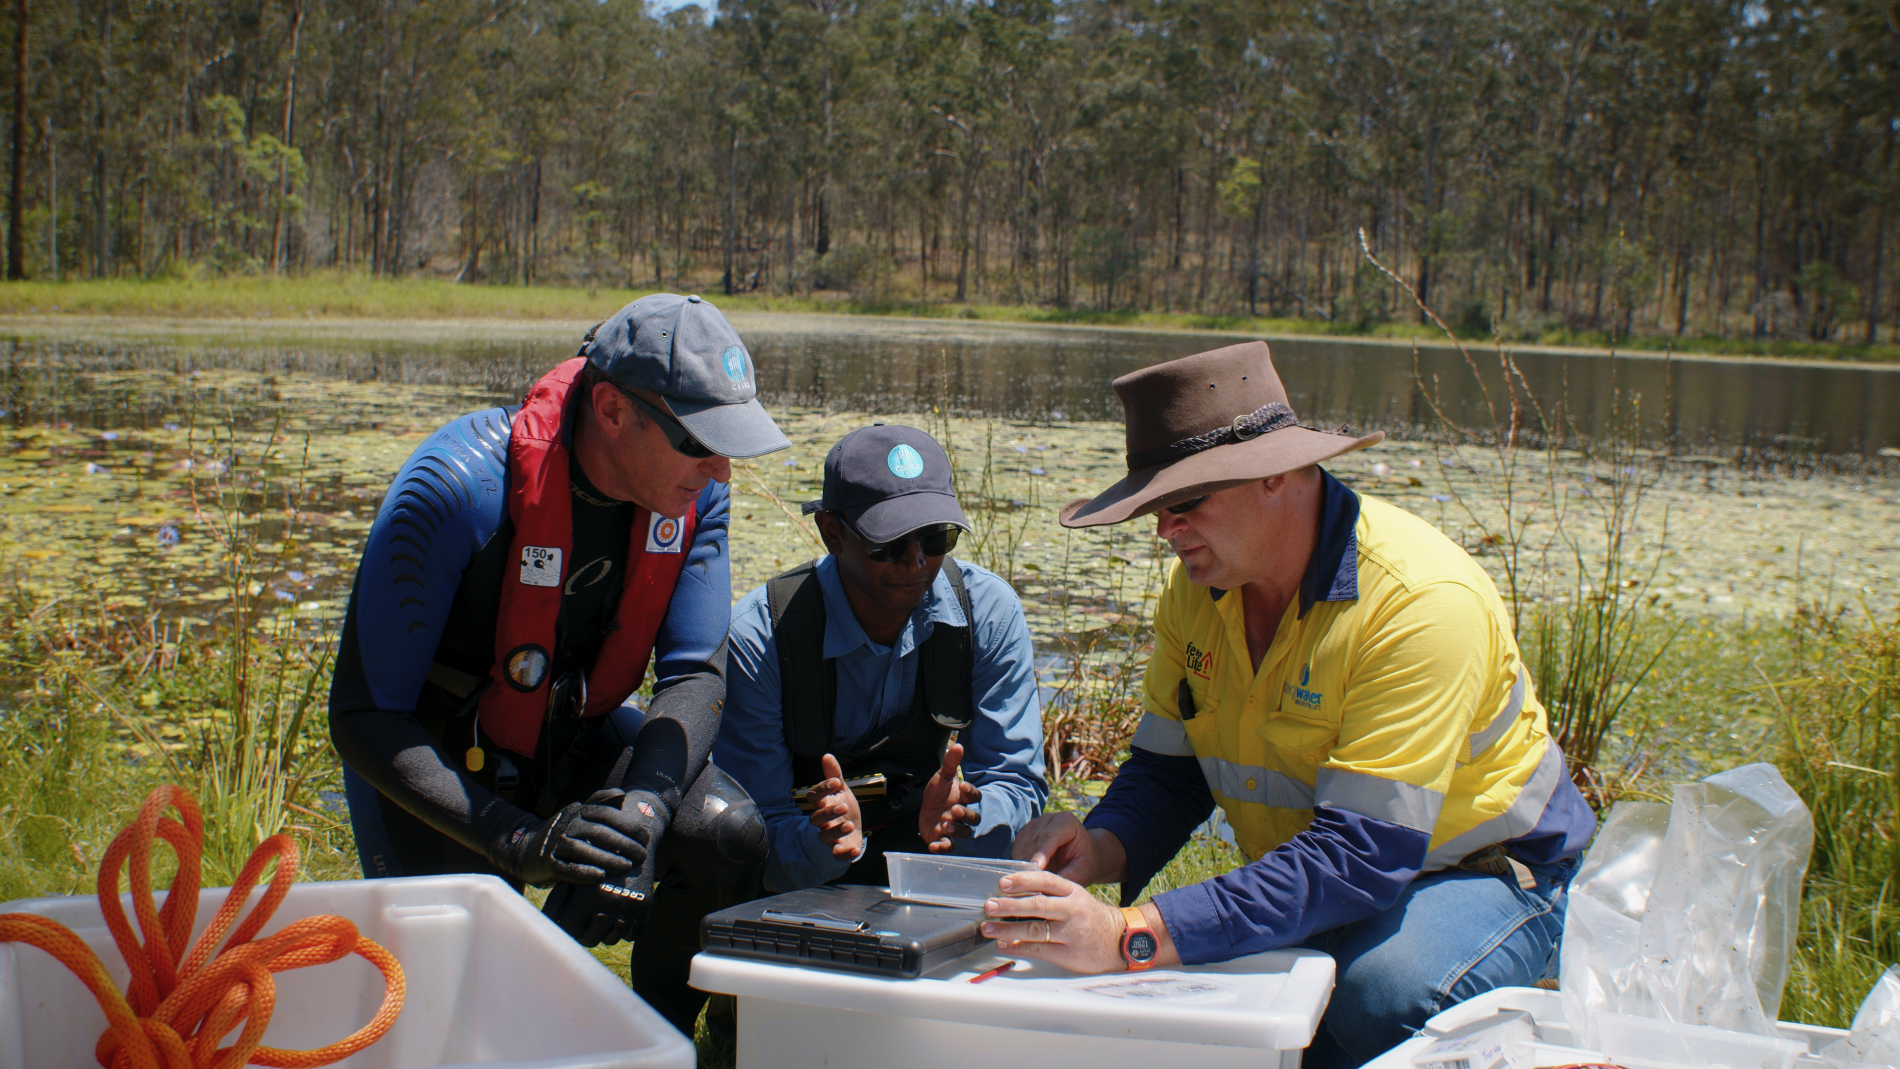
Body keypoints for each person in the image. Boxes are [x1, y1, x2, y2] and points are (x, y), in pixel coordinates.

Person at [984, 342, 1596, 1069]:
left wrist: (1129, 934)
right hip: (1341, 867)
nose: (1164, 531)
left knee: (1384, 995)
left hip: (1485, 873)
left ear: (1273, 473)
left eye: (1182, 503)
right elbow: (1167, 774)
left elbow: (1360, 855)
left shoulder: (1421, 603)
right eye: (1153, 508)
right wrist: (1101, 845)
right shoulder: (1198, 589)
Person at [328, 293, 790, 1034]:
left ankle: (654, 1037)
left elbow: (696, 676)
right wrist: (520, 839)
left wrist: (639, 818)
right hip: (442, 768)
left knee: (725, 830)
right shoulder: (452, 489)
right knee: (463, 1025)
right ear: (611, 410)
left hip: (572, 739)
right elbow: (359, 717)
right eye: (700, 440)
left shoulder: (693, 496)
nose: (722, 470)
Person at [714, 424, 1048, 891]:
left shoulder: (989, 612)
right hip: (798, 869)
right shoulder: (761, 636)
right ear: (832, 532)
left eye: (935, 539)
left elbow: (1016, 782)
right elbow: (751, 825)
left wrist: (965, 817)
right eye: (888, 545)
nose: (914, 562)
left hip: (930, 855)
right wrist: (825, 839)